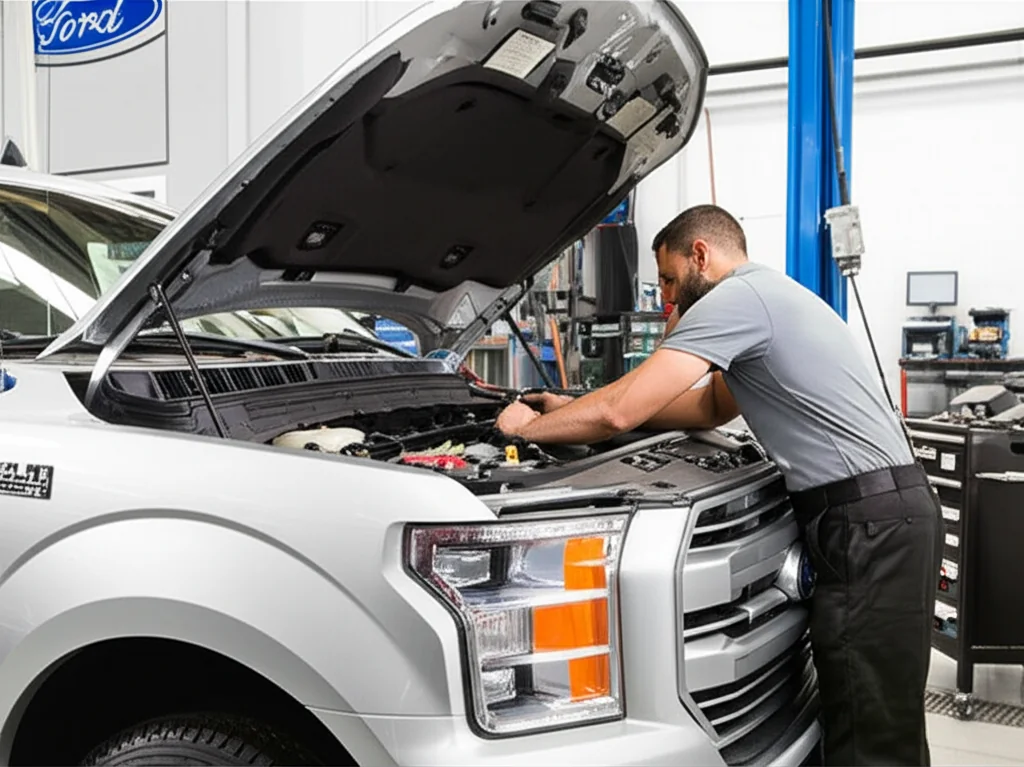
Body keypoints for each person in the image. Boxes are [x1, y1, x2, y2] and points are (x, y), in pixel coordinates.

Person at [497, 204, 942, 767]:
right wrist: (570, 406)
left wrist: (530, 426)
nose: (666, 299)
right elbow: (707, 405)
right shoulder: (770, 296)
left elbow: (619, 414)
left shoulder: (736, 299)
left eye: (668, 279)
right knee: (875, 712)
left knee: (870, 734)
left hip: (869, 525)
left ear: (700, 255)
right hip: (882, 518)